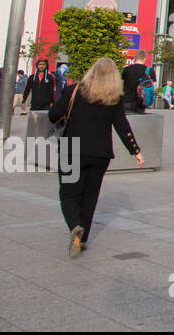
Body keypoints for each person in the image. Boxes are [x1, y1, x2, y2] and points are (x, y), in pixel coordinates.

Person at [47, 58, 144, 256]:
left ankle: (75, 225)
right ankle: (82, 240)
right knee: (90, 197)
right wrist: (135, 151)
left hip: (72, 150)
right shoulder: (114, 97)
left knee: (68, 194)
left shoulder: (74, 91)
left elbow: (53, 114)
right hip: (100, 153)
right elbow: (121, 126)